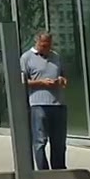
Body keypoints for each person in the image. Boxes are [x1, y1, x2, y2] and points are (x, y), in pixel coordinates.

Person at [20, 31, 67, 170]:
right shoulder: (26, 58)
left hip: (58, 104)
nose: (46, 49)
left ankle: (59, 170)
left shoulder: (56, 57)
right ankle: (43, 170)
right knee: (40, 140)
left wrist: (61, 80)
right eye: (43, 45)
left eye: (49, 46)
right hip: (38, 104)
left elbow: (64, 75)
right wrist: (41, 83)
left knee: (59, 141)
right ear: (37, 43)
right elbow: (21, 82)